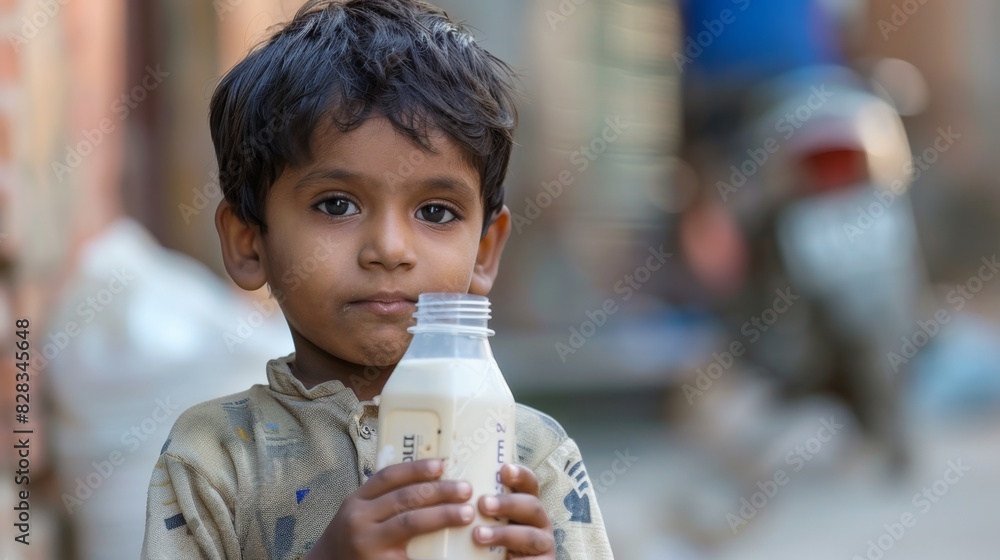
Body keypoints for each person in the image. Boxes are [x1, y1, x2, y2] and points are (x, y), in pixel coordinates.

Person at [140, 1, 613, 558]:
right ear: (249, 242)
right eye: (336, 205)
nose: (390, 249)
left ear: (485, 251)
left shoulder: (530, 456)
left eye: (435, 212)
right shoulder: (214, 458)